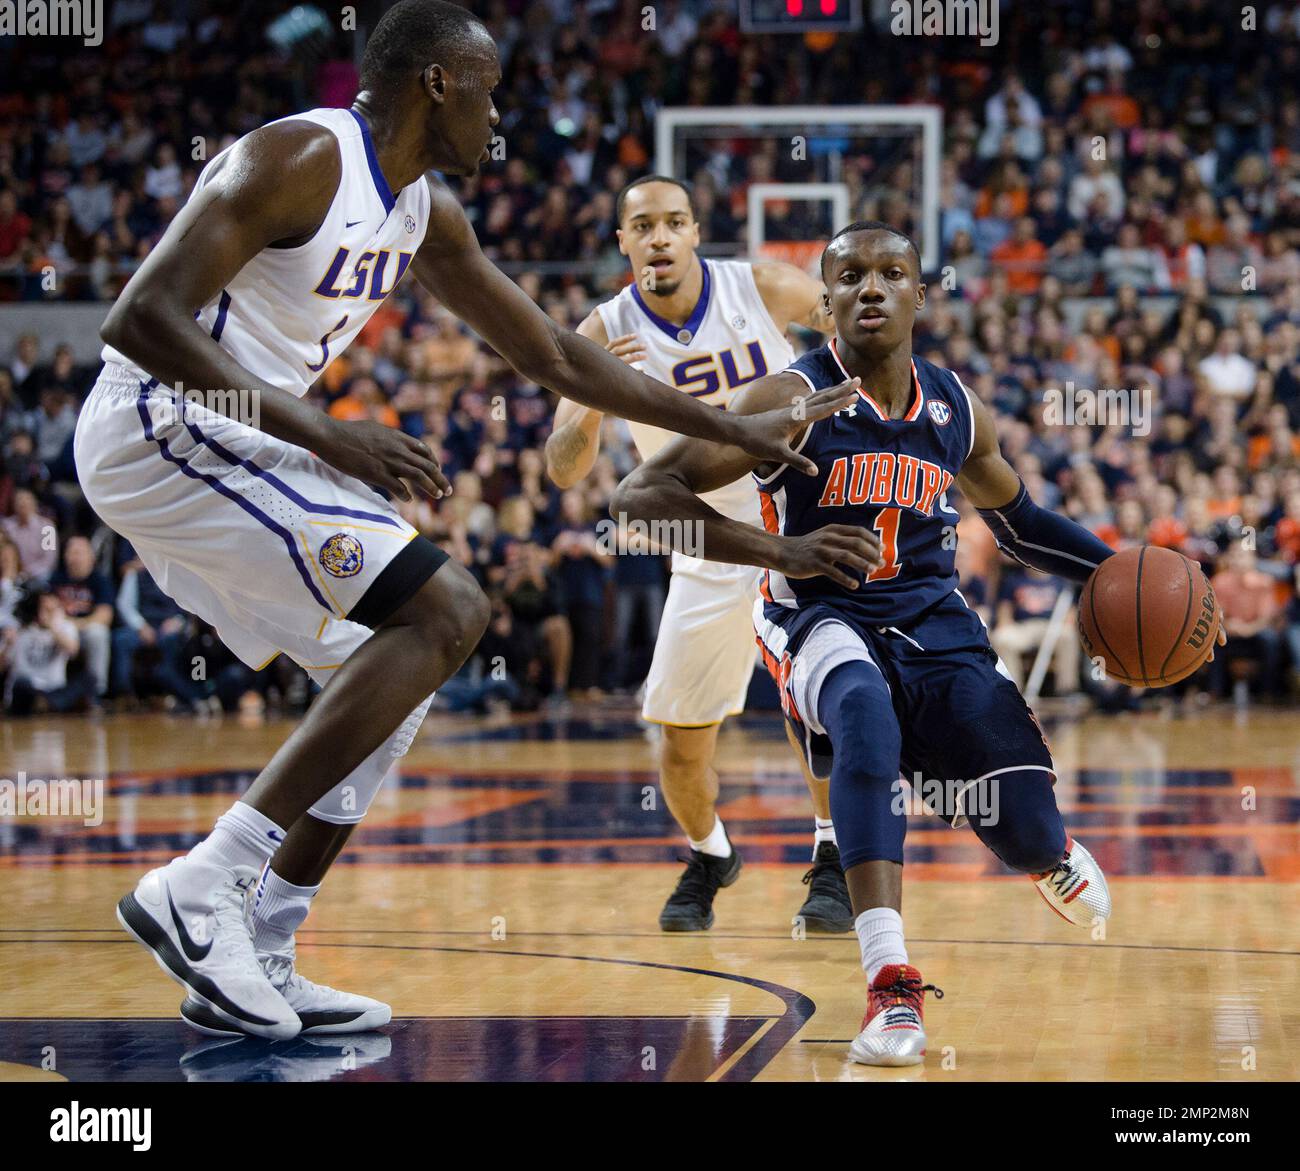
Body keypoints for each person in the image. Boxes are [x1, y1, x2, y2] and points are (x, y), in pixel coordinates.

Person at [76, 0, 849, 1042]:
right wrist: (324, 429)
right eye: (489, 89)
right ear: (438, 81)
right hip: (159, 423)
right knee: (446, 605)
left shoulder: (423, 213)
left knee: (392, 682)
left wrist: (725, 424)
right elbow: (139, 319)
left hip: (241, 438)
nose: (502, 115)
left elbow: (556, 359)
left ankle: (262, 938)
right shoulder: (303, 157)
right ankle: (205, 882)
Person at [610, 222, 1222, 1066]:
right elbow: (640, 496)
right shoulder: (784, 400)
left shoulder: (956, 408)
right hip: (816, 614)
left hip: (939, 627)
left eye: (891, 272)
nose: (871, 287)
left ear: (918, 295)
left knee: (1025, 829)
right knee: (864, 718)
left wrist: (1130, 573)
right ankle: (890, 983)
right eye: (850, 275)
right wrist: (778, 551)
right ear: (823, 301)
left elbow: (1021, 524)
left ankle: (1051, 853)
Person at [545, 176, 853, 933]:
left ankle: (832, 856)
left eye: (673, 222)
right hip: (703, 542)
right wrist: (586, 402)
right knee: (681, 746)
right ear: (623, 241)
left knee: (812, 703)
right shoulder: (601, 329)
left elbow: (858, 328)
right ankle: (710, 854)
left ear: (693, 232)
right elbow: (560, 467)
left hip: (793, 521)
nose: (659, 236)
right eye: (642, 224)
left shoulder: (761, 286)